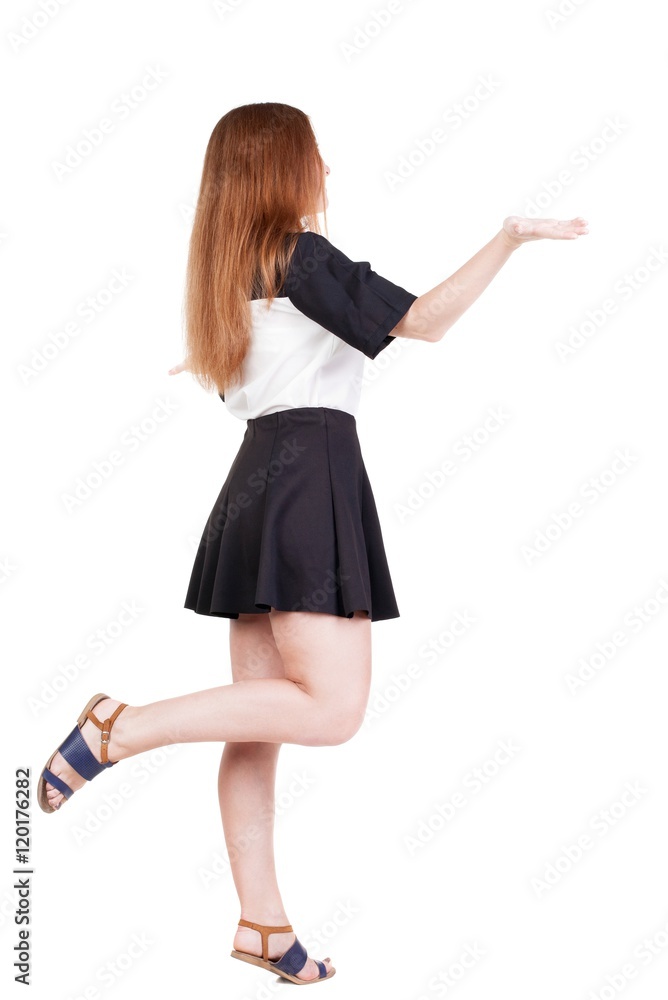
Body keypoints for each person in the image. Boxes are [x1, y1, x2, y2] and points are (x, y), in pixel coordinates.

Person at [38, 102, 589, 985]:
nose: (325, 170)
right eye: (314, 156)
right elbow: (423, 321)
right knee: (331, 709)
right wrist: (508, 239)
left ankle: (263, 924)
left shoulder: (229, 274)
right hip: (308, 478)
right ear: (281, 168)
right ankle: (118, 729)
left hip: (259, 484)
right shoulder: (296, 255)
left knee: (258, 728)